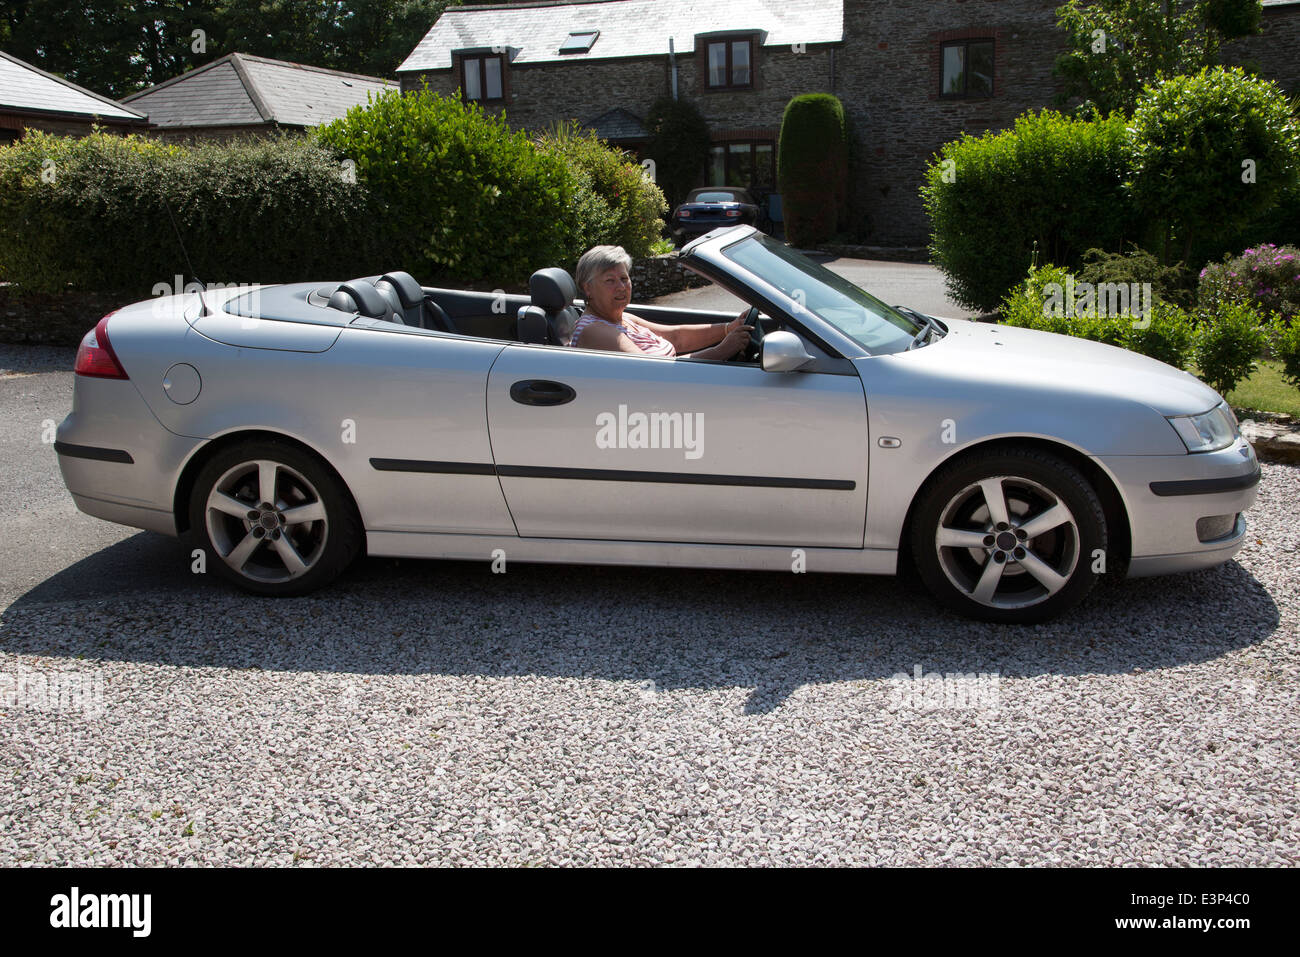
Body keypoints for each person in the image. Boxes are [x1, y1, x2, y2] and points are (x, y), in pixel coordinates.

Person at [569, 245, 752, 359]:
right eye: (610, 280)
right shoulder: (593, 330)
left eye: (624, 278)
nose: (621, 287)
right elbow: (654, 370)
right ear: (588, 289)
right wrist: (722, 351)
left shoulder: (622, 318)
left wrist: (730, 327)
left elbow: (676, 337)